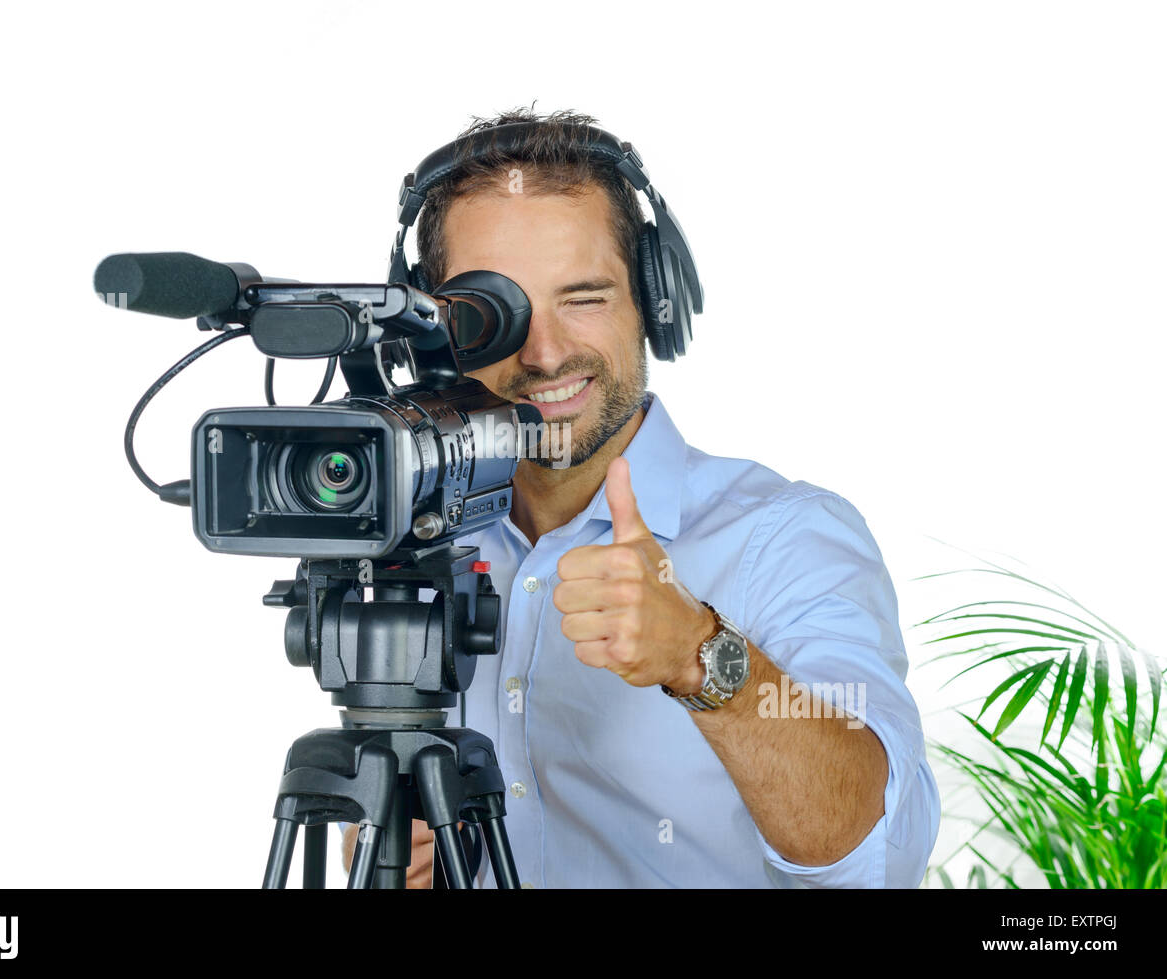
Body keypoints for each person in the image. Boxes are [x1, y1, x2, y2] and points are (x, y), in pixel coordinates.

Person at [343, 107, 939, 887]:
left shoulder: (787, 538)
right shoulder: (408, 542)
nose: (545, 353)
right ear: (426, 328)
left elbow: (879, 855)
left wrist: (701, 656)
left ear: (653, 303)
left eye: (582, 297)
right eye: (492, 312)